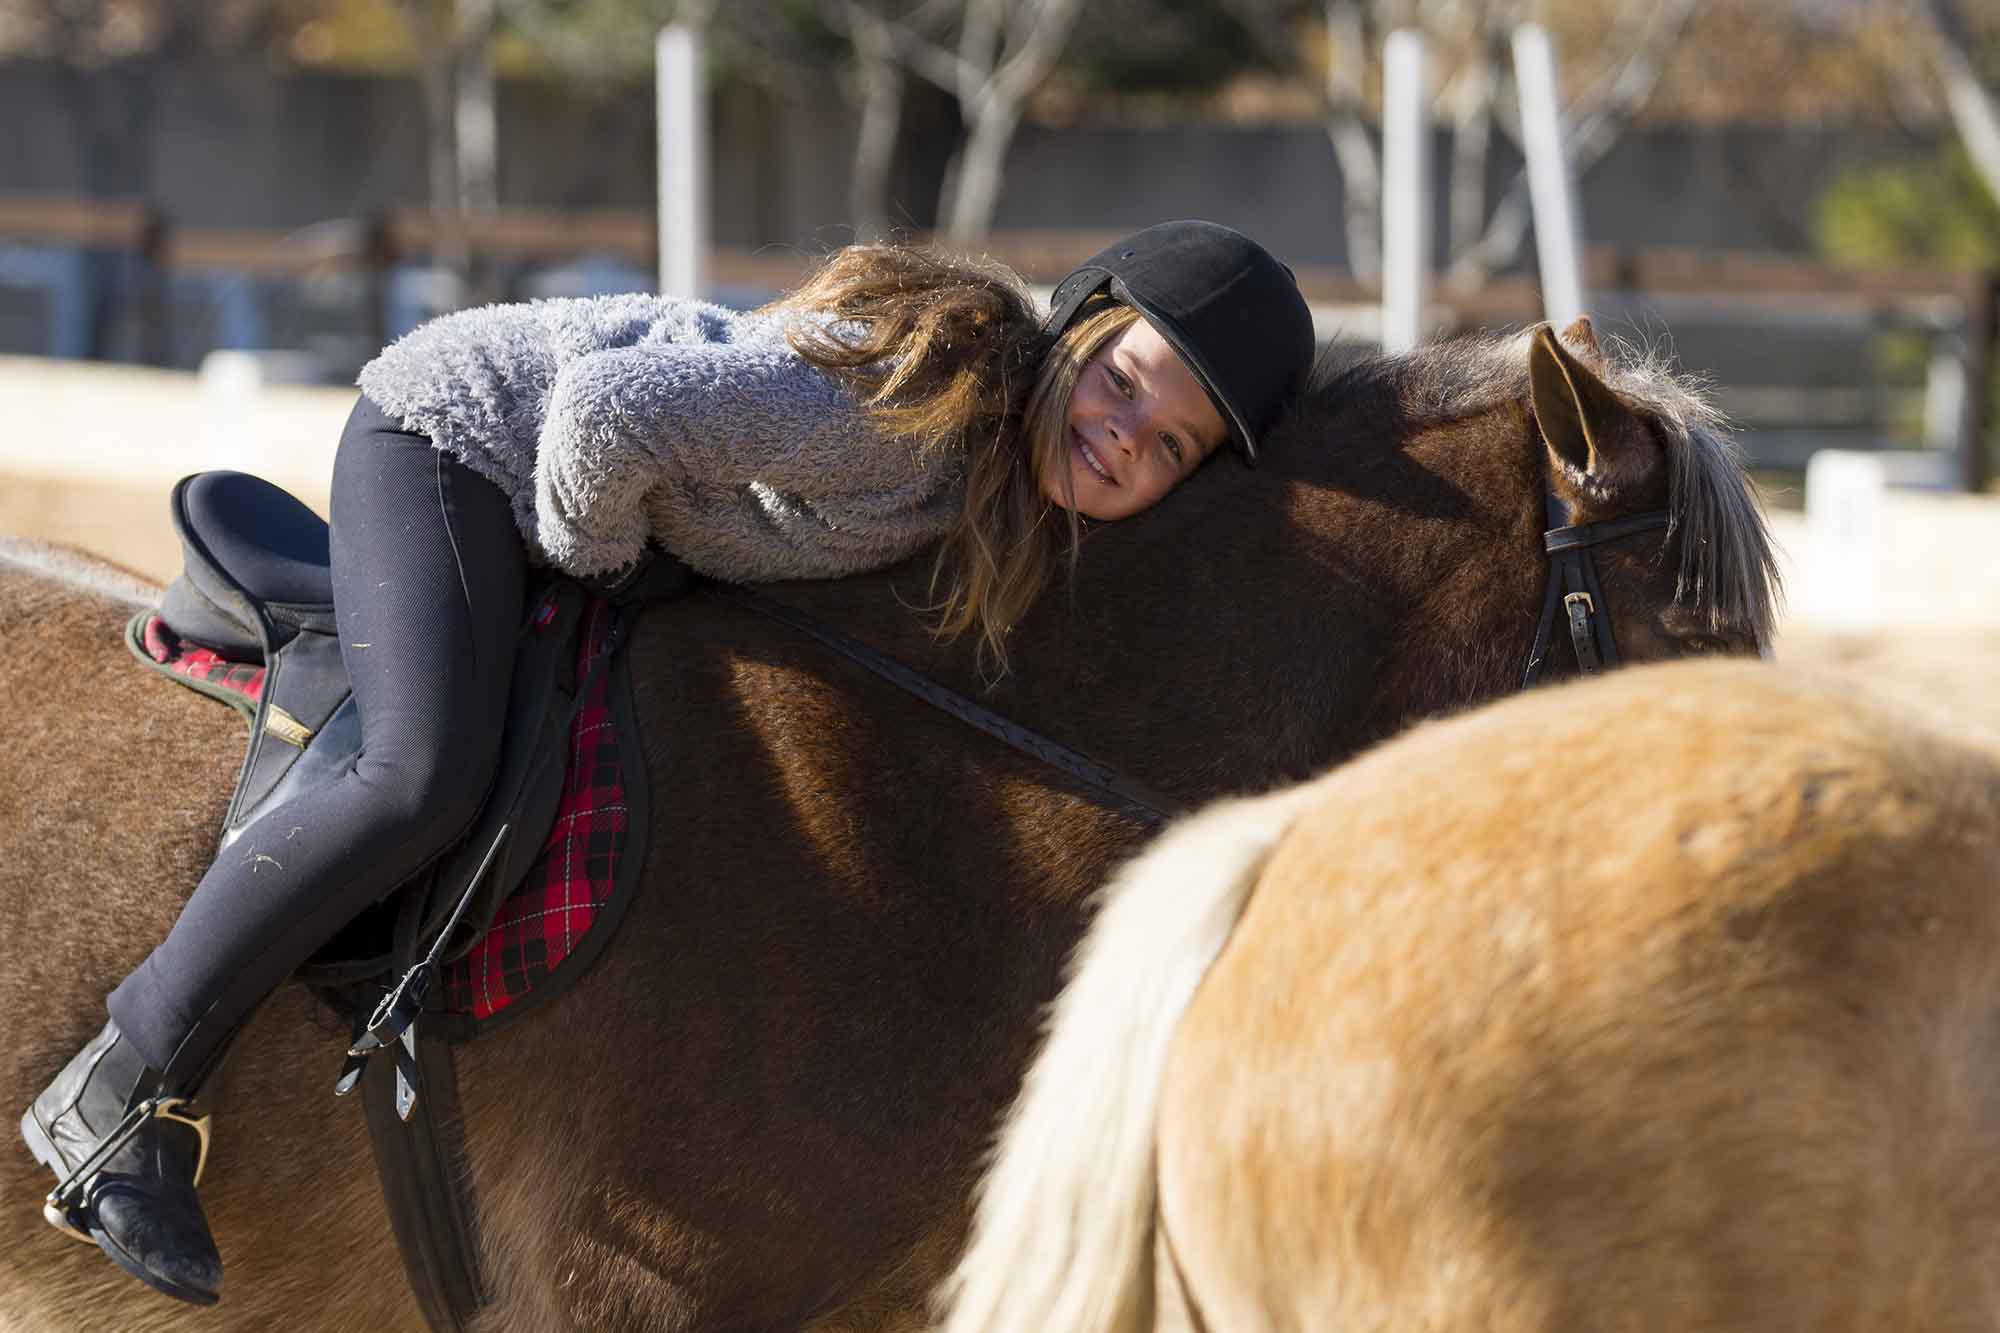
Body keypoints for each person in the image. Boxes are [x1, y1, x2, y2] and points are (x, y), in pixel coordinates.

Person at [19, 220, 1314, 1304]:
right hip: (455, 441)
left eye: (1173, 445)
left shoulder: (995, 480)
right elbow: (603, 421)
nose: (1127, 436)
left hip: (548, 467)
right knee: (420, 775)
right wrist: (600, 576)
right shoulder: (903, 425)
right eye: (1126, 381)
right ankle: (120, 1084)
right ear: (1079, 321)